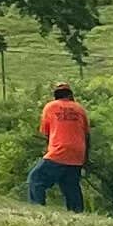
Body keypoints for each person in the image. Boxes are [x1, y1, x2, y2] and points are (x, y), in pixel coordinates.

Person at [26, 82, 89, 210]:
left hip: (59, 151)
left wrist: (49, 151)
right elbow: (87, 135)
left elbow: (47, 133)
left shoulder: (50, 107)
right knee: (71, 187)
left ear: (55, 96)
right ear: (70, 95)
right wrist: (85, 159)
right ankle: (77, 213)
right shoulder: (80, 109)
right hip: (78, 154)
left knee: (36, 179)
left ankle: (38, 209)